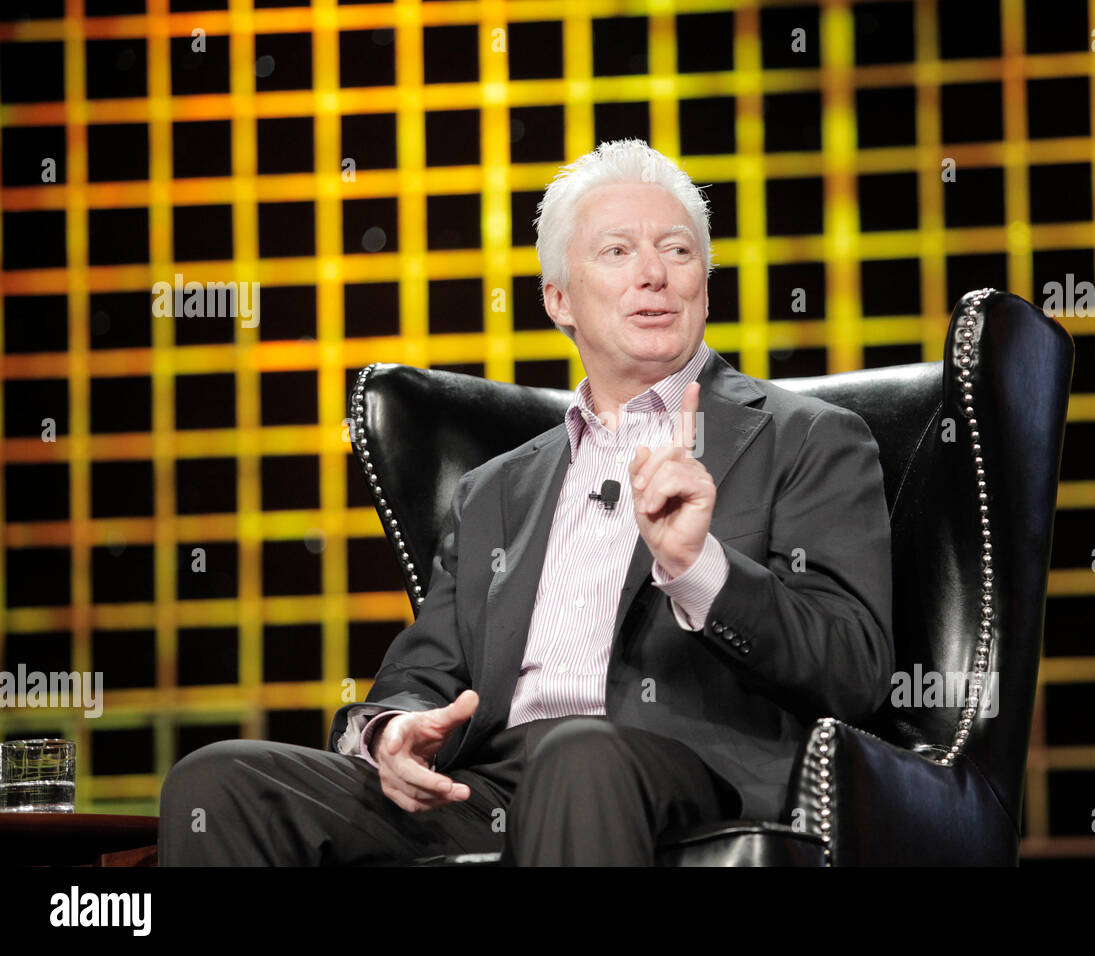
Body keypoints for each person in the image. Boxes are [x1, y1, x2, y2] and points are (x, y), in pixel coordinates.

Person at [158, 138, 893, 866]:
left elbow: (855, 669)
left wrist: (700, 566)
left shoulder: (807, 439)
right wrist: (392, 731)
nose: (653, 275)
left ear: (705, 281)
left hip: (684, 778)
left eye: (676, 251)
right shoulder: (494, 491)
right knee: (218, 782)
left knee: (578, 758)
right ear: (557, 299)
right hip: (489, 788)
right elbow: (421, 676)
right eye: (616, 253)